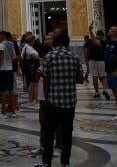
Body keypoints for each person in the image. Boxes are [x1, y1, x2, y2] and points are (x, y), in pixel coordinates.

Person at [34, 33, 82, 167]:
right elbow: (80, 79)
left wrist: (47, 97)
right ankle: (65, 162)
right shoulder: (75, 56)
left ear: (56, 42)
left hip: (54, 101)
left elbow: (45, 79)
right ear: (67, 43)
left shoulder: (50, 56)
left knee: (49, 133)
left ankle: (46, 162)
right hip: (70, 101)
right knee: (67, 133)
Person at [0, 30, 18, 116]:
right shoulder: (11, 44)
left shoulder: (1, 44)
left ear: (2, 36)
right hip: (10, 69)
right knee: (11, 89)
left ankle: (3, 109)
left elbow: (1, 55)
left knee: (3, 90)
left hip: (3, 69)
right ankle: (12, 109)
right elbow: (14, 58)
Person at [85, 24, 110, 100]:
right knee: (104, 76)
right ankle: (104, 89)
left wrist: (90, 30)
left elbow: (86, 50)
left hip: (92, 61)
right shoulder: (104, 41)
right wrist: (90, 30)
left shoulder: (91, 41)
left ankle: (97, 92)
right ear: (102, 35)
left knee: (94, 76)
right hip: (101, 61)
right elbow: (96, 42)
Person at [21, 33, 42, 102]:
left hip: (29, 67)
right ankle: (36, 99)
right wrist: (41, 59)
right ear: (32, 40)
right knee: (35, 83)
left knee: (31, 83)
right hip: (32, 67)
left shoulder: (26, 46)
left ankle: (31, 99)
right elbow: (34, 56)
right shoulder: (29, 48)